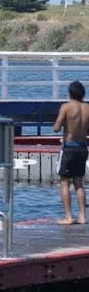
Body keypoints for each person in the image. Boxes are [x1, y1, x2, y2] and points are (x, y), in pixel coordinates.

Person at [53, 80, 89, 225]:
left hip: (69, 147)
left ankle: (68, 217)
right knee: (79, 183)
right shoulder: (87, 108)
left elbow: (56, 128)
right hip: (82, 147)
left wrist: (64, 123)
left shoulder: (66, 107)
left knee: (64, 182)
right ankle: (82, 216)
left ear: (70, 93)